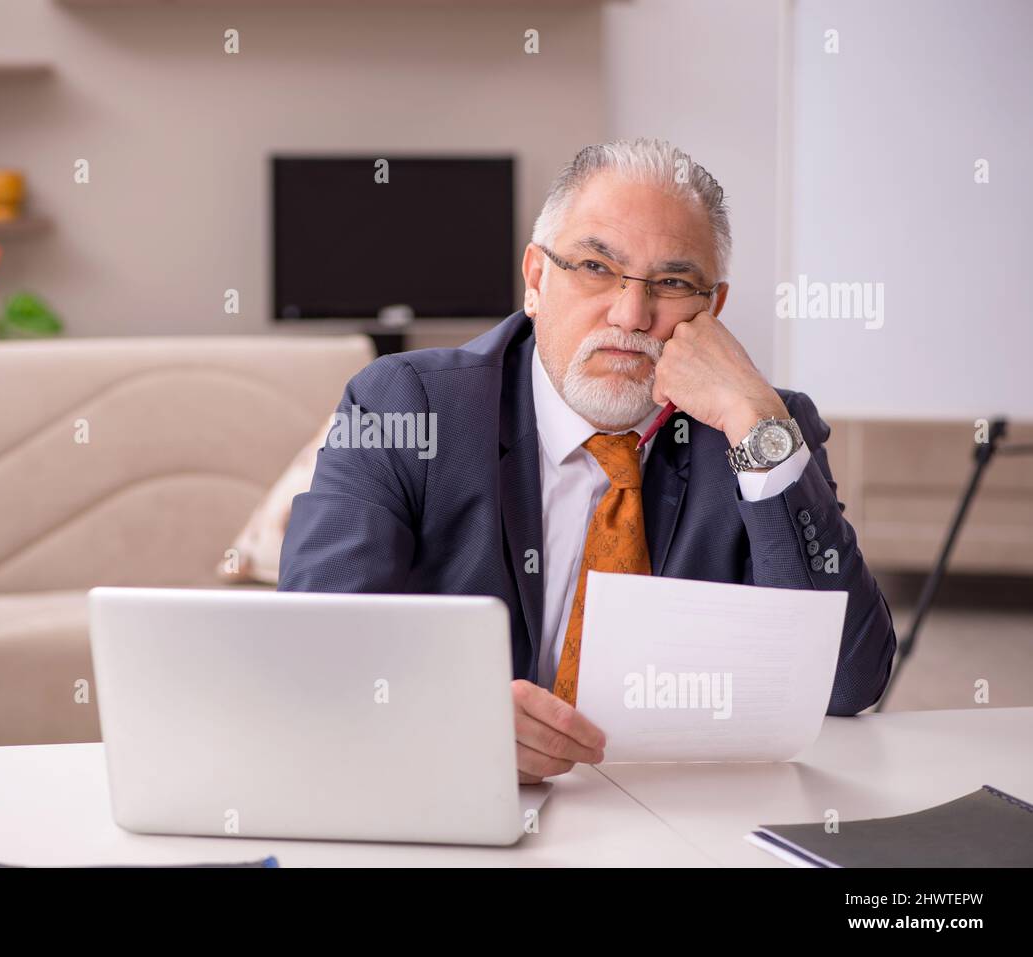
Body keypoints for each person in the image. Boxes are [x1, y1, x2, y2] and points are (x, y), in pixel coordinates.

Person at [279, 138, 896, 782]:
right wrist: (445, 715)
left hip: (678, 820)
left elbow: (848, 683)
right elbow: (314, 645)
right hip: (459, 802)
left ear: (711, 311)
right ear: (537, 280)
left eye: (673, 282)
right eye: (597, 267)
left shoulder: (764, 429)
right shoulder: (403, 406)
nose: (632, 314)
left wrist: (755, 420)